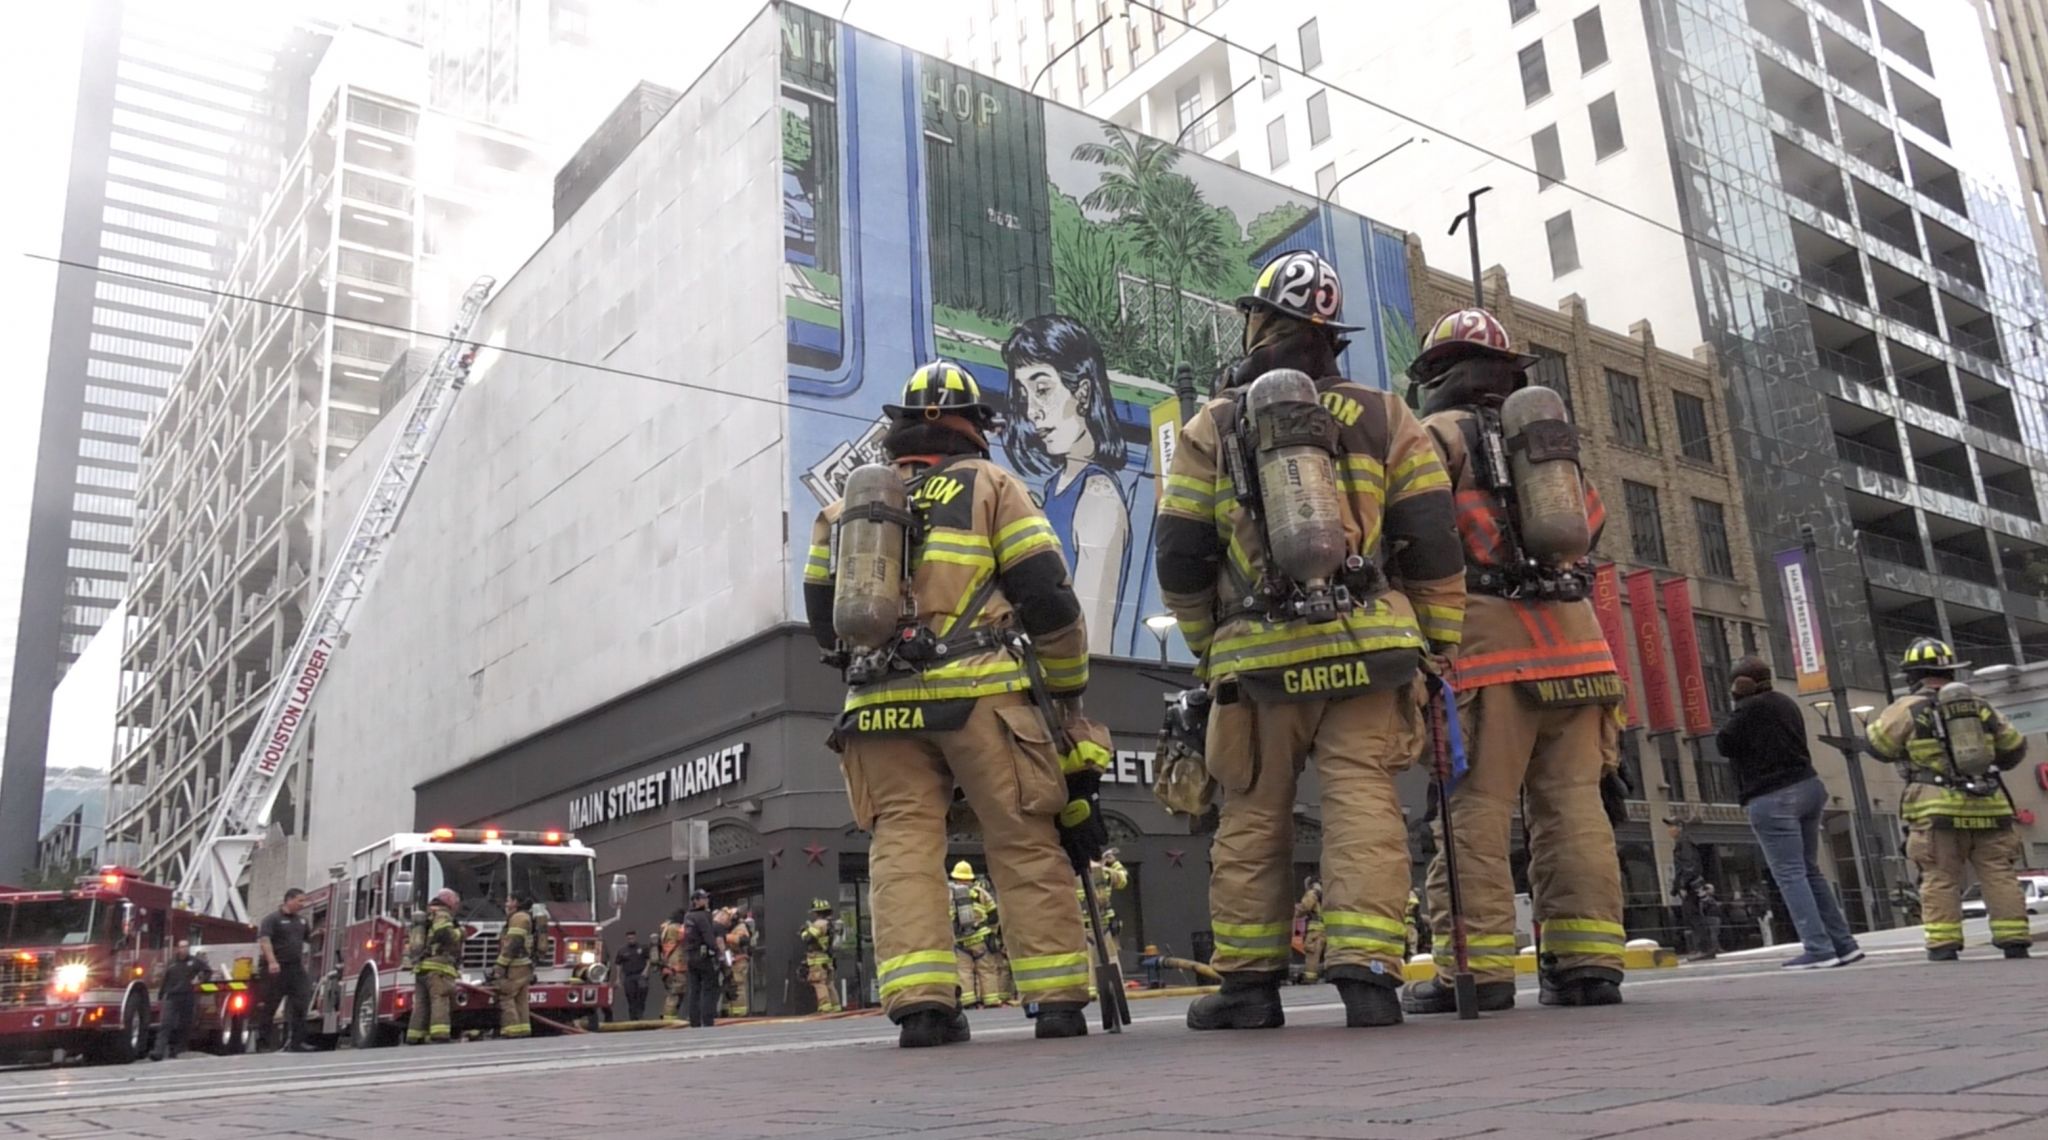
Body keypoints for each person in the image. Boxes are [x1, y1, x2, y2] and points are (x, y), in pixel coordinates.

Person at [1156, 251, 1467, 1032]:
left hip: (1256, 658)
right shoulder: (1387, 413)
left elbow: (1181, 550)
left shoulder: (1212, 423)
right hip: (1371, 647)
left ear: (1261, 323)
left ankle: (1249, 989)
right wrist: (1435, 642)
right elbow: (1432, 539)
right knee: (1362, 799)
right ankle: (1367, 975)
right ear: (1332, 337)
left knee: (1254, 814)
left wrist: (1208, 644)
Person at [804, 361, 1099, 1048]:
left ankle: (924, 1008)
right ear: (975, 427)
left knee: (903, 843)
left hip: (876, 704)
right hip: (980, 694)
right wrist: (1065, 693)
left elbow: (825, 618)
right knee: (1023, 836)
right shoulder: (993, 485)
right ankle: (1055, 1000)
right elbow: (1048, 597)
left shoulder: (845, 507)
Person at [1408, 306, 1629, 1013]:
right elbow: (1588, 524)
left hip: (1486, 649)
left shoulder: (1434, 436)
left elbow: (1416, 536)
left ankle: (1480, 973)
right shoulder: (1549, 444)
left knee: (1474, 811)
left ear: (1435, 375)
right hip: (1578, 646)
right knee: (1574, 806)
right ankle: (1589, 964)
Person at [1866, 637, 2031, 961]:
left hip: (1936, 808)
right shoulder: (1981, 706)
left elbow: (1878, 746)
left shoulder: (1907, 708)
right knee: (1998, 873)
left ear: (1913, 675)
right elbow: (2014, 749)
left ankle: (1944, 946)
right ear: (1952, 671)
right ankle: (2014, 941)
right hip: (1990, 804)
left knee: (1940, 876)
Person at [1715, 655, 1864, 968]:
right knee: (1810, 869)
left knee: (1790, 873)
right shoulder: (1786, 702)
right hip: (1809, 787)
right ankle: (1844, 944)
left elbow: (1724, 744)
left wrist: (1738, 702)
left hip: (1772, 796)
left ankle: (1818, 948)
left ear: (1741, 684)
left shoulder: (1748, 710)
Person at [999, 315, 1130, 654]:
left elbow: (1093, 640)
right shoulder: (1054, 487)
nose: (1032, 412)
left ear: (1082, 392)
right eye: (1024, 394)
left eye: (1043, 390)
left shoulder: (1098, 496)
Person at [256, 887, 315, 1052]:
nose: (302, 904)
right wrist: (272, 962)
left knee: (301, 1002)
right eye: (300, 901)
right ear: (289, 900)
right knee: (270, 1005)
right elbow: (265, 941)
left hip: (295, 968)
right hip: (276, 967)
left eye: (304, 901)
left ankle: (297, 1042)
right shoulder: (272, 919)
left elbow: (308, 939)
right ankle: (263, 1043)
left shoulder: (302, 922)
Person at [951, 862, 1006, 1009]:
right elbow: (993, 914)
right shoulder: (981, 892)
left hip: (961, 941)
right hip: (981, 939)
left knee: (964, 971)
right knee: (987, 970)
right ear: (970, 878)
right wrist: (992, 932)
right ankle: (991, 1000)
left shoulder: (950, 895)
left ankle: (968, 1000)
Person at [412, 889, 462, 1044]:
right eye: (456, 903)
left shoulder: (428, 913)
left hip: (422, 966)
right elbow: (444, 934)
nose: (456, 907)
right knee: (440, 999)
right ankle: (440, 1034)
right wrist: (460, 933)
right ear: (449, 901)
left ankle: (415, 1036)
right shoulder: (442, 914)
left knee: (421, 1004)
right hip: (438, 966)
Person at [150, 939, 211, 1061]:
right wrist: (161, 995)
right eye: (181, 947)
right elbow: (164, 979)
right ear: (178, 949)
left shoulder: (194, 962)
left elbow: (207, 971)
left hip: (187, 996)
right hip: (172, 996)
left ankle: (178, 1050)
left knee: (184, 1025)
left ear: (188, 948)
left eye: (186, 947)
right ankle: (158, 1051)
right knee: (166, 1024)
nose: (183, 949)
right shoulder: (172, 962)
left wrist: (201, 979)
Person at [1666, 818, 1717, 961]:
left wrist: (1682, 885)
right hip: (1690, 884)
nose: (1669, 830)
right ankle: (1704, 948)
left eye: (1672, 826)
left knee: (1693, 916)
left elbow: (1688, 866)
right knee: (1692, 916)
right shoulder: (1683, 842)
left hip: (1690, 885)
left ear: (1680, 827)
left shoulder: (1684, 843)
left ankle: (1705, 949)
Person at [492, 893, 536, 1039]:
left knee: (506, 995)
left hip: (515, 966)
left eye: (508, 900)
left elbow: (514, 943)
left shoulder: (518, 918)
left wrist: (500, 964)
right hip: (524, 966)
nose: (506, 904)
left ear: (516, 902)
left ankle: (511, 1030)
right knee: (521, 999)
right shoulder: (524, 917)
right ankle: (523, 1029)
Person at [1080, 847, 1129, 973]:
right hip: (1104, 929)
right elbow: (1123, 880)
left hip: (1079, 930)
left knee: (1087, 968)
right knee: (1111, 964)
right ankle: (1113, 991)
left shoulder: (1071, 873)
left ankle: (1091, 991)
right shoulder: (1105, 872)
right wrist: (1114, 862)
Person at [676, 888, 720, 1028]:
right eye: (703, 898)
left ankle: (694, 1021)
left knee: (694, 989)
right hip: (703, 956)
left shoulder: (688, 916)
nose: (706, 901)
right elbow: (708, 937)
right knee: (708, 987)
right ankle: (707, 1020)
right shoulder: (702, 916)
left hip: (691, 956)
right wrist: (717, 951)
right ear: (696, 901)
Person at [799, 900, 843, 1015]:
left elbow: (808, 938)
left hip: (817, 959)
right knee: (829, 983)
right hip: (828, 959)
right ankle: (836, 1007)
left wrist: (804, 931)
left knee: (819, 983)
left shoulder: (819, 924)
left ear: (817, 913)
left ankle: (825, 1008)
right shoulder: (831, 924)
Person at [721, 909, 757, 1017]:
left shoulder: (740, 927)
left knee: (738, 985)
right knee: (729, 984)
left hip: (739, 960)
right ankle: (727, 1011)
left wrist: (726, 937)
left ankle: (739, 1012)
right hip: (731, 960)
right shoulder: (729, 928)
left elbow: (742, 940)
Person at [657, 909, 689, 1021]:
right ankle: (669, 1019)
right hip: (676, 966)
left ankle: (669, 1017)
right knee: (675, 993)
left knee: (674, 992)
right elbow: (686, 935)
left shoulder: (666, 928)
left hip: (669, 965)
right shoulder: (675, 928)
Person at [613, 930, 651, 1021]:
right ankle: (633, 1018)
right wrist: (618, 978)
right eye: (629, 938)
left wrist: (646, 970)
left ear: (635, 937)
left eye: (632, 938)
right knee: (630, 997)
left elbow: (649, 959)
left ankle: (640, 1014)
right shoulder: (622, 950)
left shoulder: (642, 948)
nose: (631, 940)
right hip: (629, 976)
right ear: (627, 939)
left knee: (642, 995)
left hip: (640, 975)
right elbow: (618, 964)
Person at [1295, 876, 1326, 984]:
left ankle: (1310, 979)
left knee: (1312, 955)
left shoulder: (1313, 892)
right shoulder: (1328, 891)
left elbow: (1305, 907)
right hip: (1330, 929)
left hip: (1316, 930)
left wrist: (1291, 912)